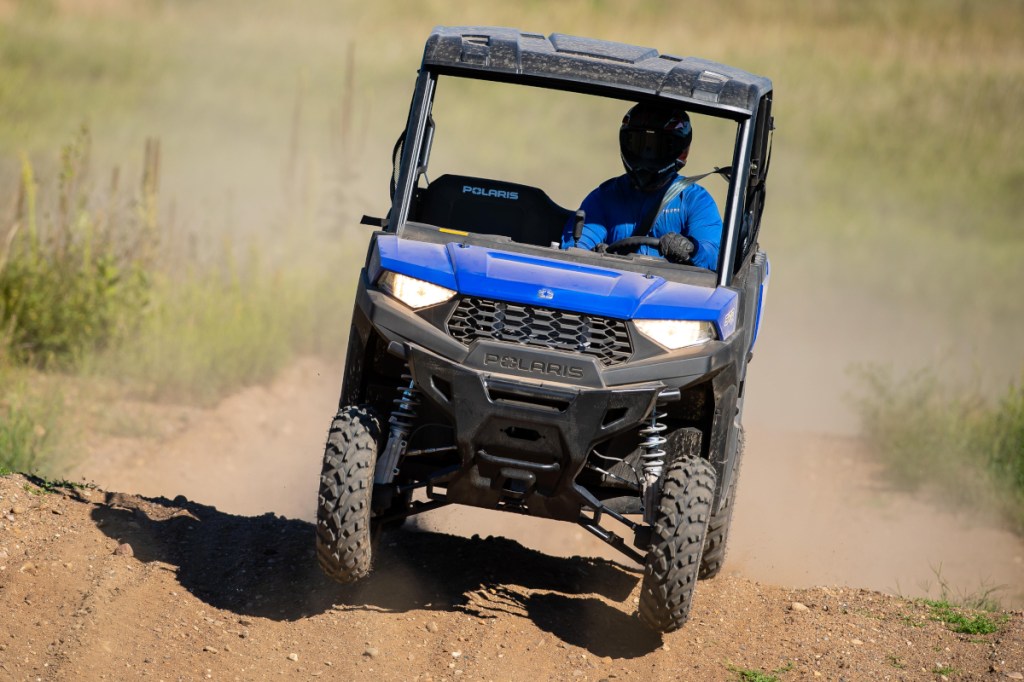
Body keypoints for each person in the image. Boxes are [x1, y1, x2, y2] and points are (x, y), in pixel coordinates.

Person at [561, 102, 722, 269]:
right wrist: (594, 256)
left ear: (681, 152)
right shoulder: (603, 198)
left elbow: (713, 257)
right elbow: (573, 251)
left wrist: (691, 250)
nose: (646, 157)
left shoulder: (696, 201)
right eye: (639, 144)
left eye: (658, 148)